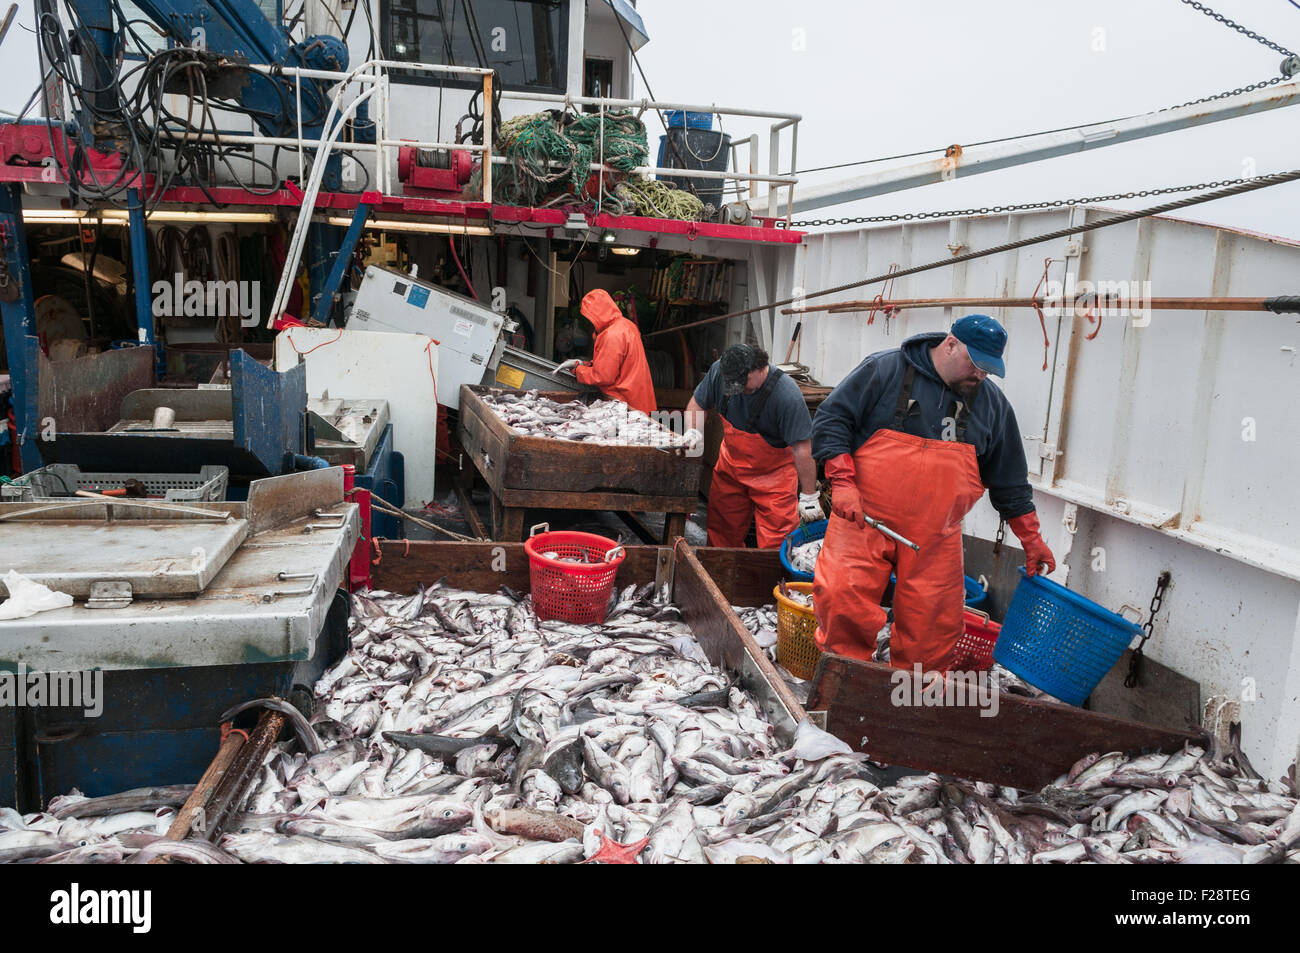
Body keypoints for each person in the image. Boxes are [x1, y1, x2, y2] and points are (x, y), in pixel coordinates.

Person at [811, 314, 1055, 672]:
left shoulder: (993, 407)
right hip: (864, 519)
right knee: (841, 601)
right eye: (976, 365)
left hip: (935, 535)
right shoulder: (884, 371)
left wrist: (1032, 540)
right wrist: (843, 483)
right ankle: (842, 687)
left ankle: (911, 709)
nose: (981, 376)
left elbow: (1011, 481)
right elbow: (832, 421)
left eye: (989, 370)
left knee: (935, 627)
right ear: (951, 344)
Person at [685, 343, 823, 548]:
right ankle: (719, 577)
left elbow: (802, 448)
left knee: (779, 542)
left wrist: (809, 495)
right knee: (721, 533)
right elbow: (698, 402)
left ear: (760, 368)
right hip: (730, 468)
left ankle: (774, 580)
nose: (737, 390)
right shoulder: (720, 371)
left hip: (774, 478)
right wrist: (693, 431)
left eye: (744, 382)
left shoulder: (786, 395)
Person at [555, 289, 657, 415]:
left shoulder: (612, 335)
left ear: (596, 313)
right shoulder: (625, 325)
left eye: (589, 316)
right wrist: (584, 364)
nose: (589, 322)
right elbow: (614, 365)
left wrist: (578, 370)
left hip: (626, 405)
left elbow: (603, 377)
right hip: (639, 400)